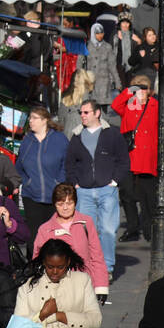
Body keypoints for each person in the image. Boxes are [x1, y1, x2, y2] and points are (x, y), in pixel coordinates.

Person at [65, 99, 130, 281]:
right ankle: (88, 267)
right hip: (84, 192)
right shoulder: (77, 136)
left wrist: (115, 181)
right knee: (86, 232)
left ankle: (107, 268)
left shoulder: (112, 135)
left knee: (108, 230)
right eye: (81, 112)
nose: (82, 116)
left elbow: (123, 161)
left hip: (106, 190)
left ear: (97, 113)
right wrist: (75, 183)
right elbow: (69, 163)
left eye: (86, 112)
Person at [32, 182, 109, 302]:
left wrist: (101, 287)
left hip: (84, 287)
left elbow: (97, 256)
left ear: (75, 203)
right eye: (60, 204)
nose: (65, 208)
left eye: (69, 203)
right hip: (55, 289)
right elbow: (37, 260)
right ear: (55, 205)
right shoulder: (45, 229)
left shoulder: (86, 223)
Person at [110, 75, 158, 245]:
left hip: (147, 157)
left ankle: (148, 229)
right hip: (130, 156)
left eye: (144, 88)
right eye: (138, 89)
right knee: (127, 195)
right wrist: (130, 90)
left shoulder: (155, 105)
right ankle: (132, 228)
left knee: (148, 197)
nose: (141, 92)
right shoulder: (129, 106)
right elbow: (115, 105)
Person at [15, 105, 70, 241]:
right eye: (30, 118)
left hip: (56, 196)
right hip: (32, 196)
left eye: (34, 118)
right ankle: (34, 261)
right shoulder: (27, 141)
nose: (30, 121)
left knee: (56, 236)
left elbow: (67, 163)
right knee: (35, 237)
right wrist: (27, 182)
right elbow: (19, 166)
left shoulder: (59, 139)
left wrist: (60, 183)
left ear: (45, 120)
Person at [113, 15, 144, 86]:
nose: (125, 25)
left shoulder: (135, 34)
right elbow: (110, 51)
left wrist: (139, 41)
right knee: (121, 87)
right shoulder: (115, 35)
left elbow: (141, 51)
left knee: (131, 87)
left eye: (127, 22)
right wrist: (118, 40)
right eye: (123, 22)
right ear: (119, 24)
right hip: (118, 66)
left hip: (132, 66)